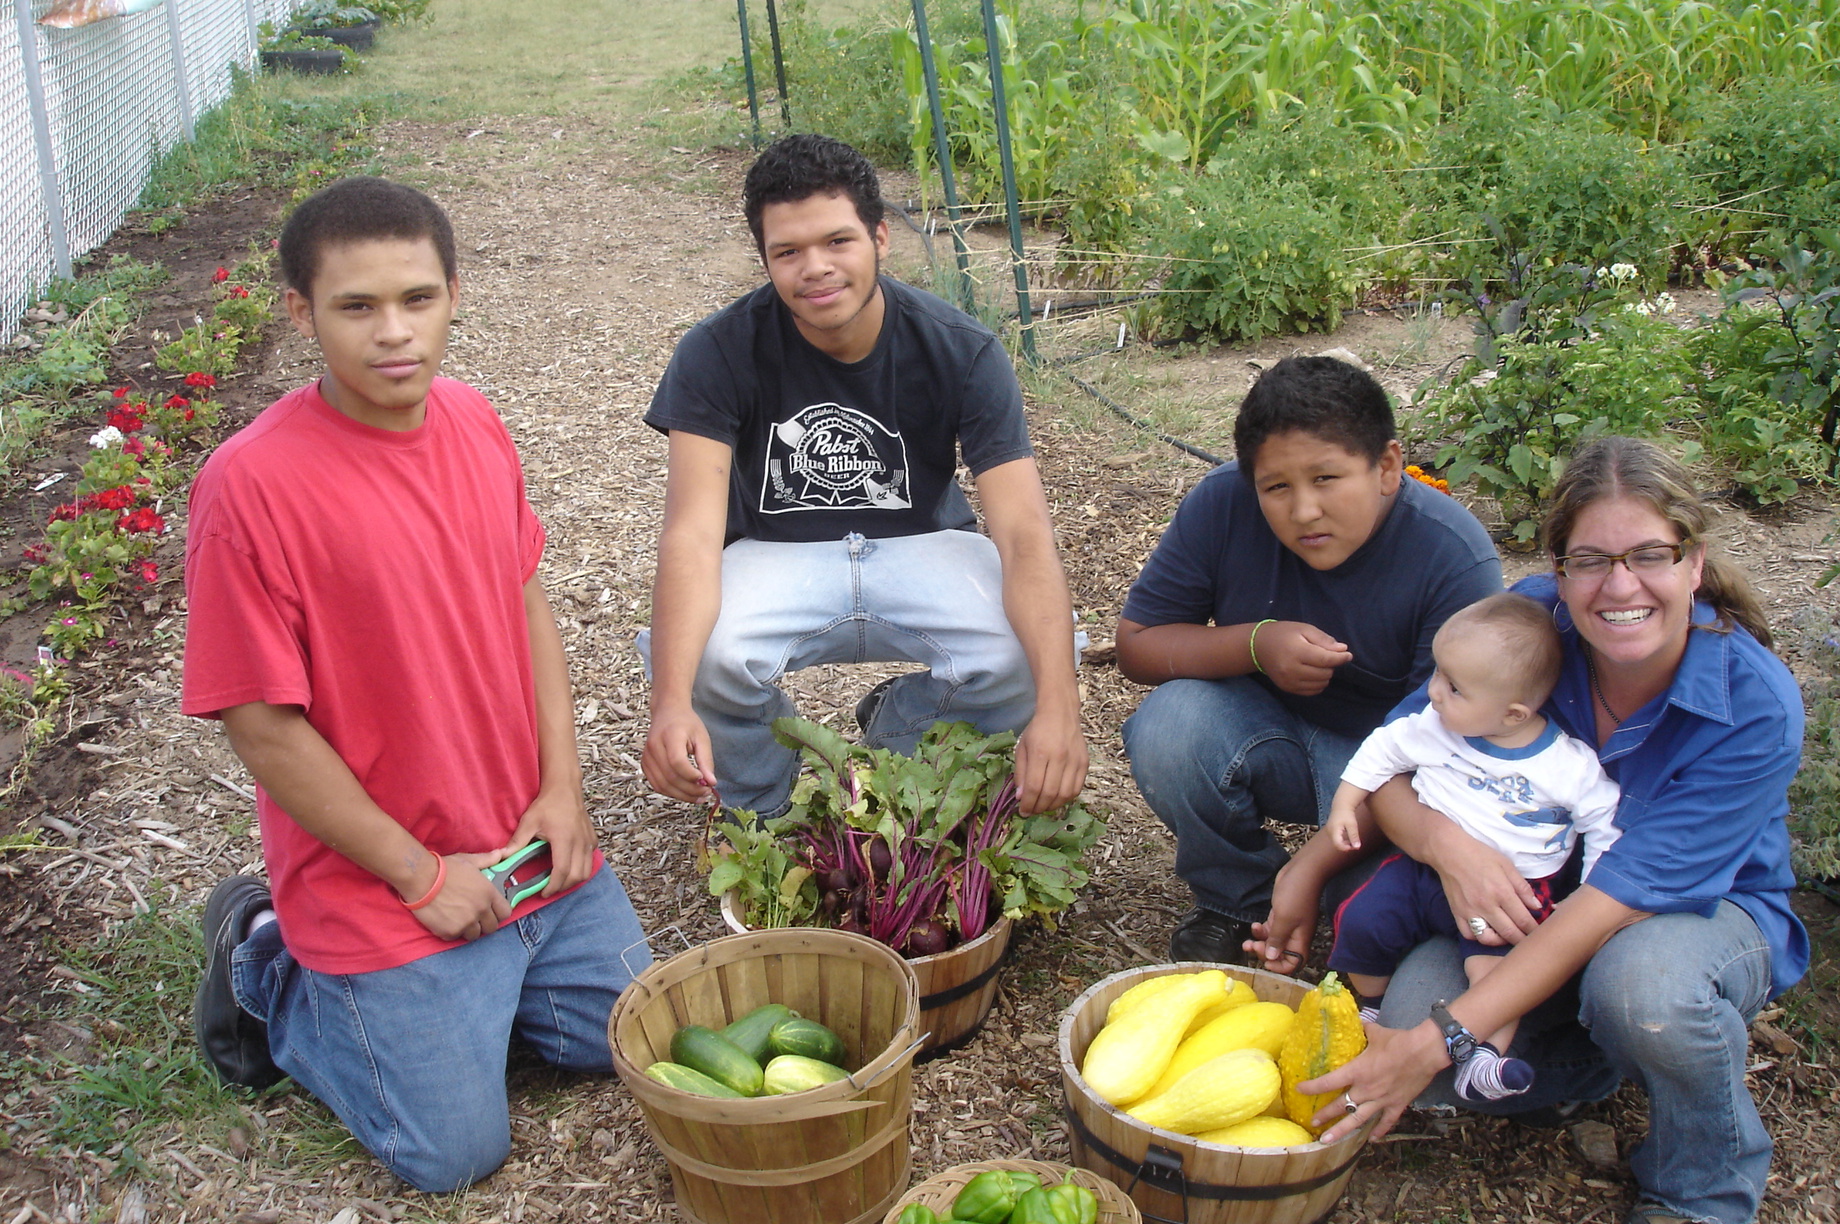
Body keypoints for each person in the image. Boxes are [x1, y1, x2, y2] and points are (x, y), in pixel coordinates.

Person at [182, 177, 650, 1193]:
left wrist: (563, 791)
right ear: (299, 311)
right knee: (451, 1153)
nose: (393, 333)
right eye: (356, 307)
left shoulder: (474, 421)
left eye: (418, 299)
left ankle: (479, 995)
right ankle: (267, 964)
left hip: (529, 853)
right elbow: (260, 726)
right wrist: (420, 877)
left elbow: (527, 606)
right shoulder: (248, 487)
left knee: (632, 1041)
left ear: (453, 293)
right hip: (386, 880)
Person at [1300, 437, 1806, 1224]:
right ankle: (1589, 1069)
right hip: (1528, 895)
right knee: (1415, 1033)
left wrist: (1442, 1039)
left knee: (1642, 992)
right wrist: (1448, 848)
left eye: (1649, 555)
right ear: (1560, 572)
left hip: (1692, 914)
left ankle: (1704, 1187)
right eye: (1592, 561)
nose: (1621, 585)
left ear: (1694, 563)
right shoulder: (1527, 630)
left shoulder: (1753, 703)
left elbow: (1614, 900)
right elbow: (1400, 763)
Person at [638, 133, 1086, 820]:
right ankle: (762, 802)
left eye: (837, 241)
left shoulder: (961, 348)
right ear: (763, 258)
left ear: (881, 237)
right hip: (773, 554)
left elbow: (1023, 533)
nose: (814, 268)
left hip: (923, 544)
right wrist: (668, 704)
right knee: (702, 655)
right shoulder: (716, 351)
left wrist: (1061, 711)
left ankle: (901, 738)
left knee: (1031, 655)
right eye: (787, 251)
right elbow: (692, 537)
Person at [1116, 355, 1503, 962]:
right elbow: (1137, 644)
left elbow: (1451, 750)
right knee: (1170, 726)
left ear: (1387, 467)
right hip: (1262, 731)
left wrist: (1314, 869)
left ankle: (1312, 887)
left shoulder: (1451, 557)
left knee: (1363, 911)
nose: (1303, 511)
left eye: (1326, 478)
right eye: (1276, 487)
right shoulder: (1221, 505)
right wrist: (1255, 643)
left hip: (1397, 774)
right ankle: (1233, 897)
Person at [1319, 591, 1622, 1102]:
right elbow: (1383, 748)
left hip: (1516, 890)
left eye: (1453, 687)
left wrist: (1583, 894)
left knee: (1497, 973)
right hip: (1424, 871)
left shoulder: (1568, 766)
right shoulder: (1438, 728)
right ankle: (1368, 1007)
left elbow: (1603, 825)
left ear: (1512, 714)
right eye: (1437, 674)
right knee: (1363, 920)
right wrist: (1346, 803)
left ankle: (1486, 1060)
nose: (1433, 693)